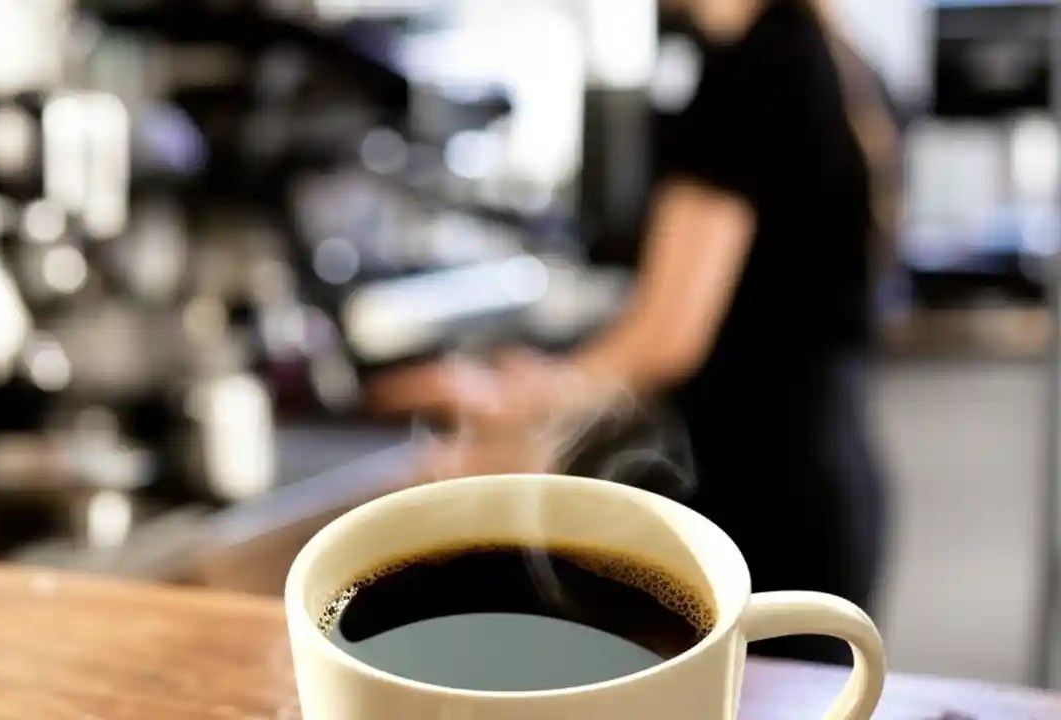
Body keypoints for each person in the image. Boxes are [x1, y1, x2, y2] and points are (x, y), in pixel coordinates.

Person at [369, 0, 900, 665]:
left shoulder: (755, 69)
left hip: (760, 513)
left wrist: (516, 414)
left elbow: (667, 337)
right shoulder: (834, 57)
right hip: (826, 487)